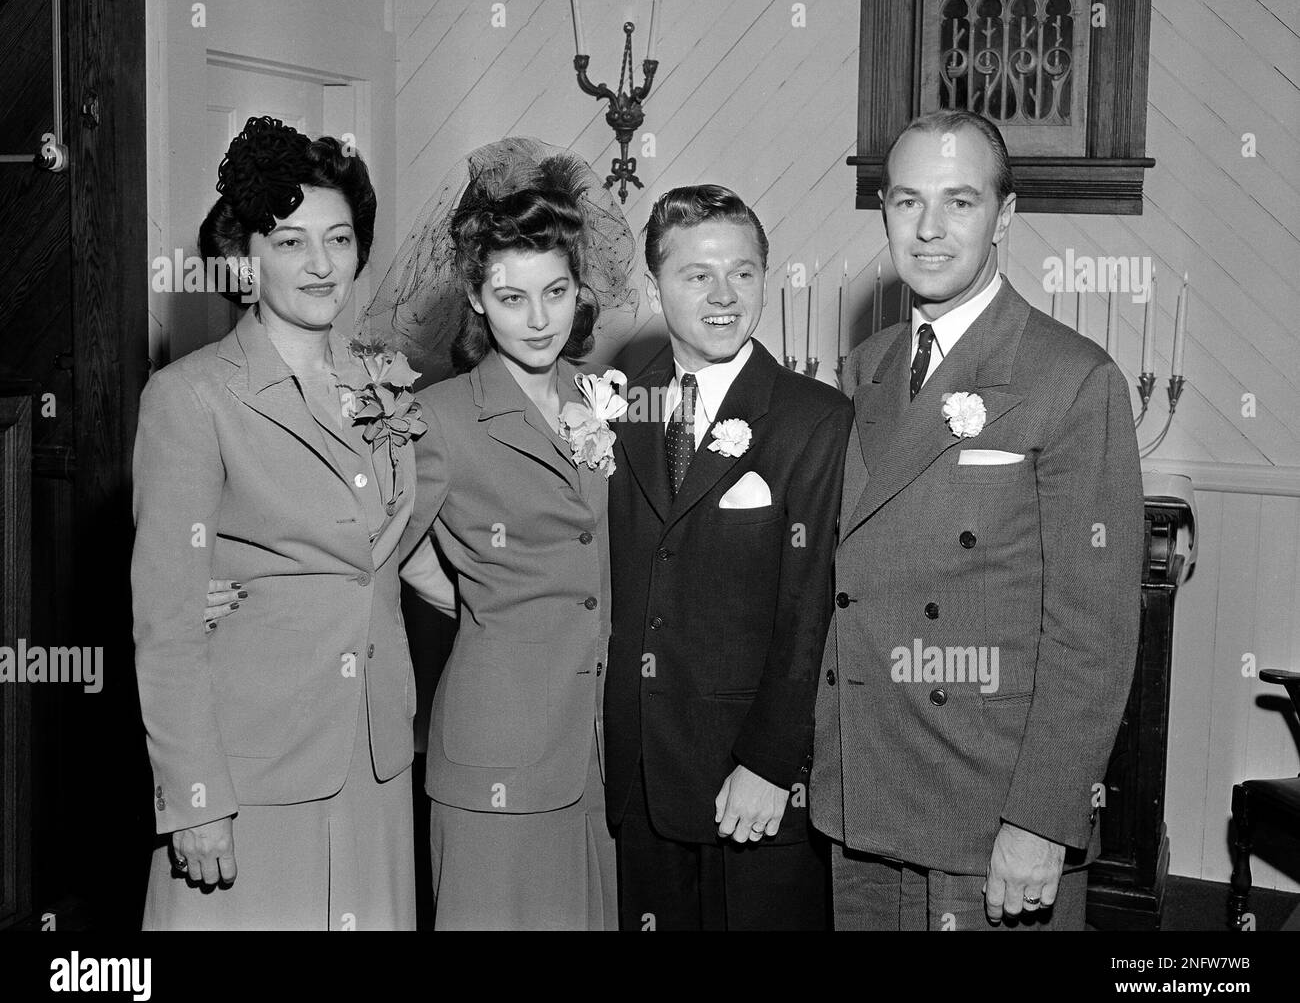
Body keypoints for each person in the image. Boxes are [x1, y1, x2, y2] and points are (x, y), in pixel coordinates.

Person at [811, 109, 1144, 930]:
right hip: (865, 791)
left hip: (987, 809)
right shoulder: (871, 364)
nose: (927, 229)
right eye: (905, 202)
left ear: (1005, 215)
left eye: (959, 202)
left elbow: (1092, 631)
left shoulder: (1072, 378)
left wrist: (1041, 820)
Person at [132, 116, 424, 930]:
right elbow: (165, 623)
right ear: (245, 259)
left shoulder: (383, 382)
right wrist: (194, 799)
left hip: (373, 761)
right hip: (251, 771)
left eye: (338, 237)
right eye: (291, 241)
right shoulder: (190, 397)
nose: (322, 263)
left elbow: (393, 556)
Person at [366, 138, 636, 930]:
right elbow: (373, 559)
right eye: (512, 297)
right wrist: (472, 603)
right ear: (477, 299)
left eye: (555, 291)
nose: (539, 317)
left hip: (592, 754)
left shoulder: (595, 396)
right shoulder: (442, 418)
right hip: (497, 758)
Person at [605, 185, 854, 930]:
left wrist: (773, 762)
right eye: (697, 275)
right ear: (656, 283)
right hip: (639, 772)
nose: (723, 296)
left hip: (748, 782)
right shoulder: (618, 405)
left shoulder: (815, 418)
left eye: (743, 273)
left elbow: (812, 607)